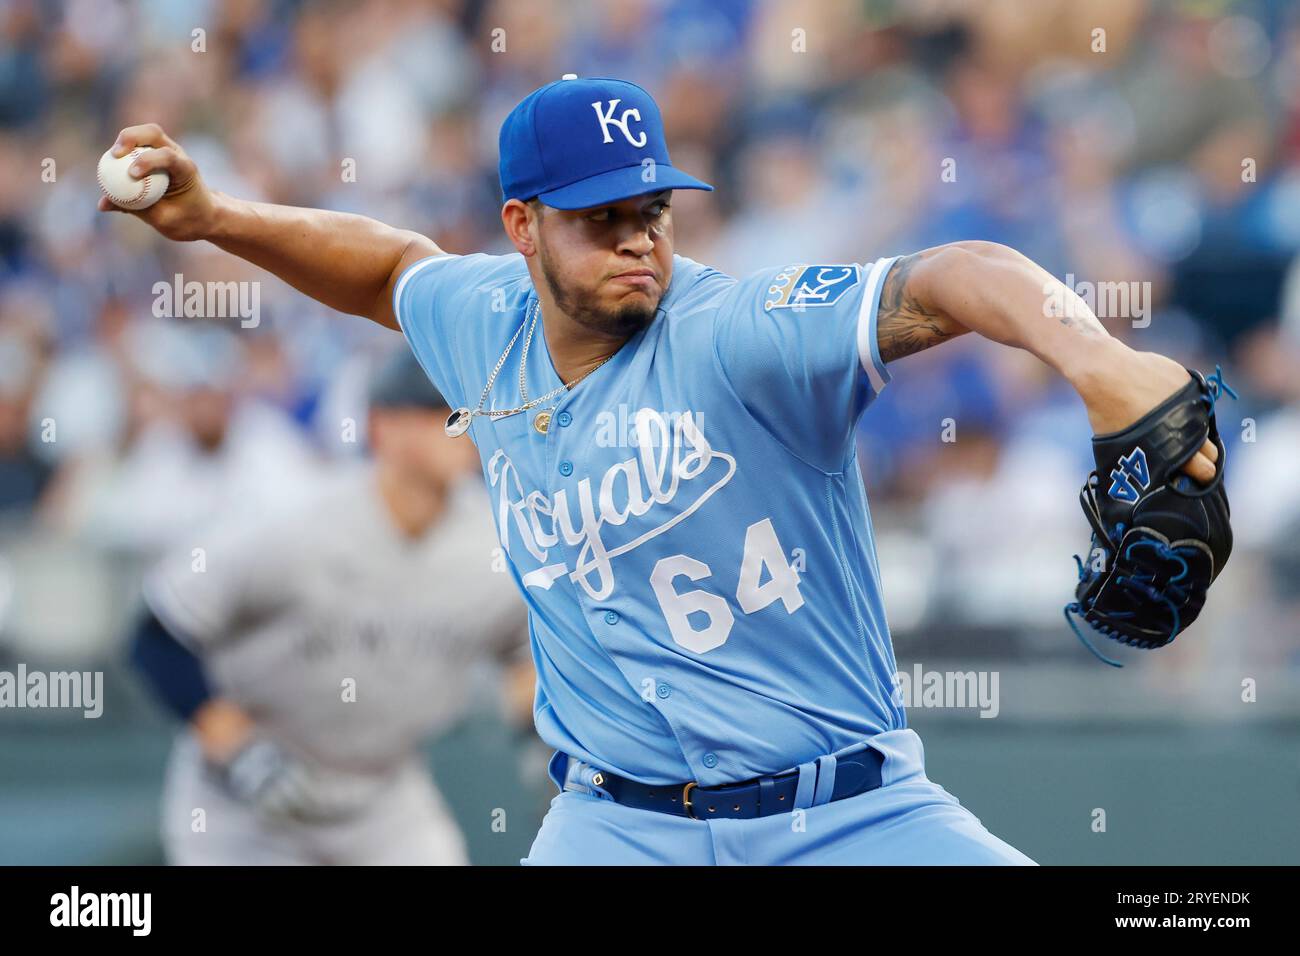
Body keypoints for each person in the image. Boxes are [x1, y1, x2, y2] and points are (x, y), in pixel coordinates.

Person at [106, 76, 1221, 865]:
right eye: (604, 219)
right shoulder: (482, 318)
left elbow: (957, 272)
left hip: (844, 814)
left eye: (653, 209)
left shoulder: (739, 331)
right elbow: (388, 269)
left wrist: (1099, 361)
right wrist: (215, 219)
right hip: (615, 825)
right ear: (523, 226)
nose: (641, 237)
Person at [129, 349, 527, 865]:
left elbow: (523, 651)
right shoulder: (295, 520)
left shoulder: (493, 540)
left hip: (382, 797)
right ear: (379, 427)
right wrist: (235, 744)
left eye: (469, 411)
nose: (461, 427)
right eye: (438, 412)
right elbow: (158, 631)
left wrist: (543, 740)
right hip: (244, 802)